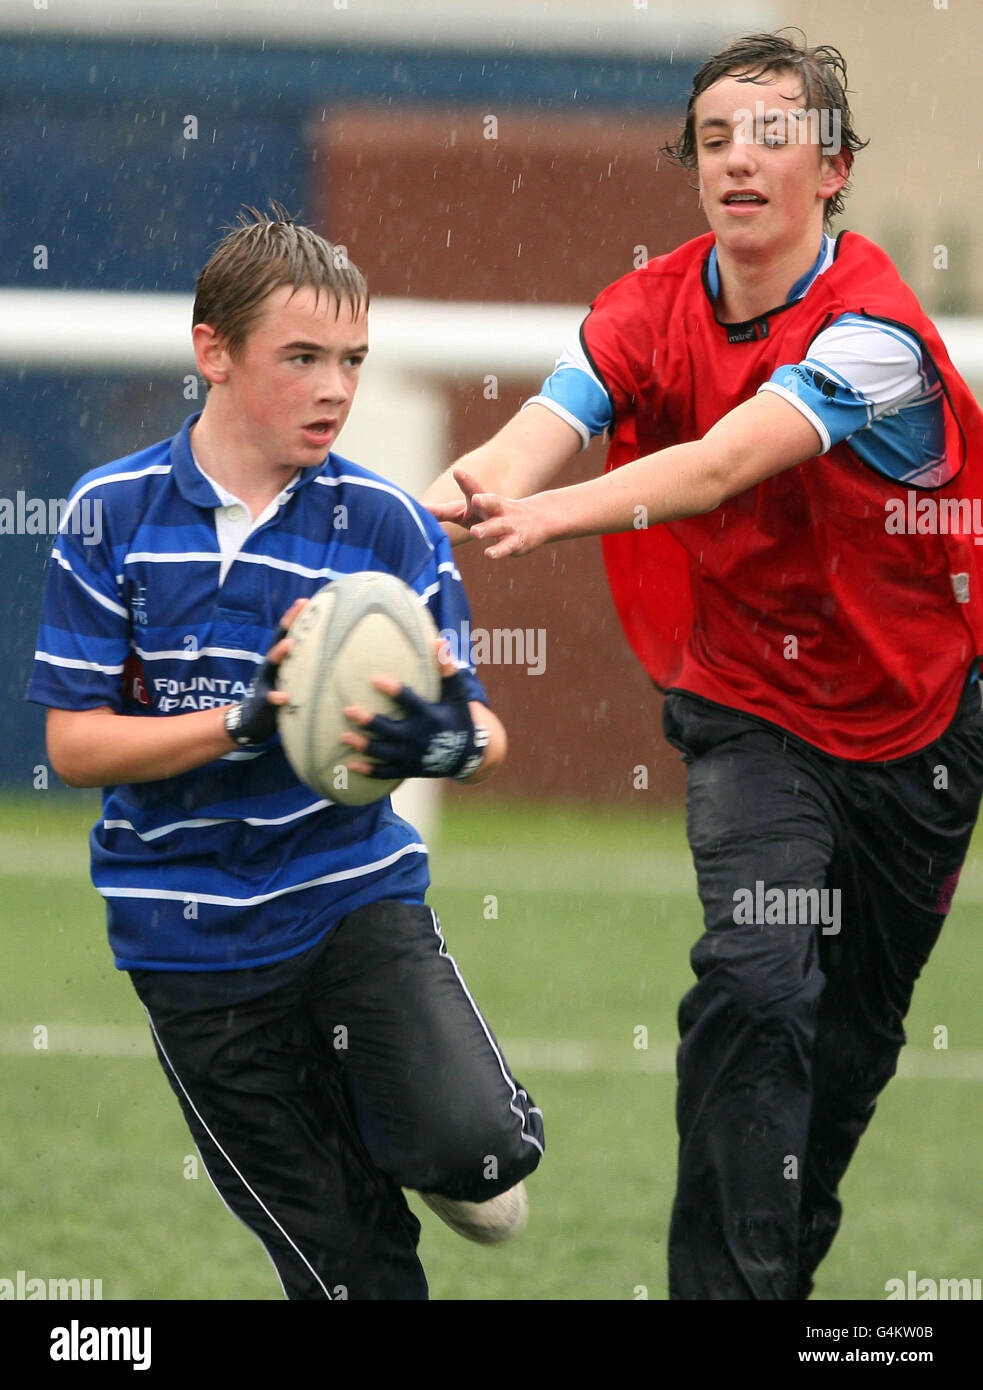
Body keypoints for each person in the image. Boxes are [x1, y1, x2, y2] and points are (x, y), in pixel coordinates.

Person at [424, 31, 983, 1299]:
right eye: (716, 137)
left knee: (838, 1069)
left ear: (832, 167)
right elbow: (541, 428)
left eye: (773, 135)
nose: (739, 159)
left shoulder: (875, 330)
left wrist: (548, 517)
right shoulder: (644, 304)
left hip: (919, 732)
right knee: (751, 976)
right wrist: (453, 503)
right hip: (747, 712)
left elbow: (731, 456)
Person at [28, 206, 544, 1302]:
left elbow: (485, 733)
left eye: (351, 360)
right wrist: (244, 721)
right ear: (212, 351)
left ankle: (439, 1134)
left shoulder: (387, 525)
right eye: (301, 357)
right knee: (352, 1273)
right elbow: (73, 746)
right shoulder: (108, 515)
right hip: (187, 941)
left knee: (487, 1159)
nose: (334, 388)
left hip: (348, 897)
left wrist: (442, 740)